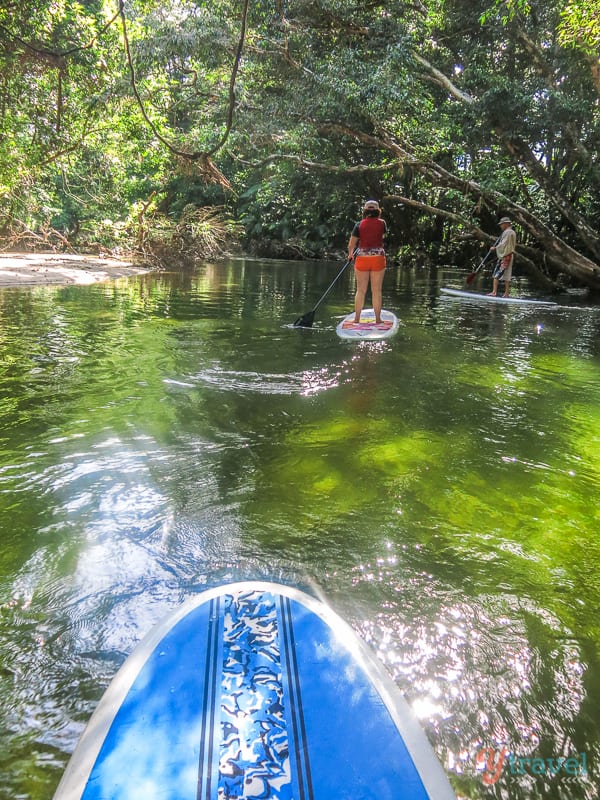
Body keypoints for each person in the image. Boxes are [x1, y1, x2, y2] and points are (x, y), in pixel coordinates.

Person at [347, 199, 387, 323]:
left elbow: (351, 245)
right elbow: (382, 237)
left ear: (365, 211)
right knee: (376, 291)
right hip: (378, 259)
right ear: (378, 211)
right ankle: (378, 320)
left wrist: (350, 255)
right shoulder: (382, 223)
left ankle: (357, 319)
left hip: (362, 259)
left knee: (360, 290)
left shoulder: (358, 225)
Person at [488, 217, 516, 297]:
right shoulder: (512, 232)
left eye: (502, 224)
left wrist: (495, 248)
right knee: (507, 275)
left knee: (496, 274)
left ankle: (494, 292)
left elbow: (504, 243)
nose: (501, 226)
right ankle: (506, 293)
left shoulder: (507, 232)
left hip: (505, 255)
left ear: (506, 224)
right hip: (510, 254)